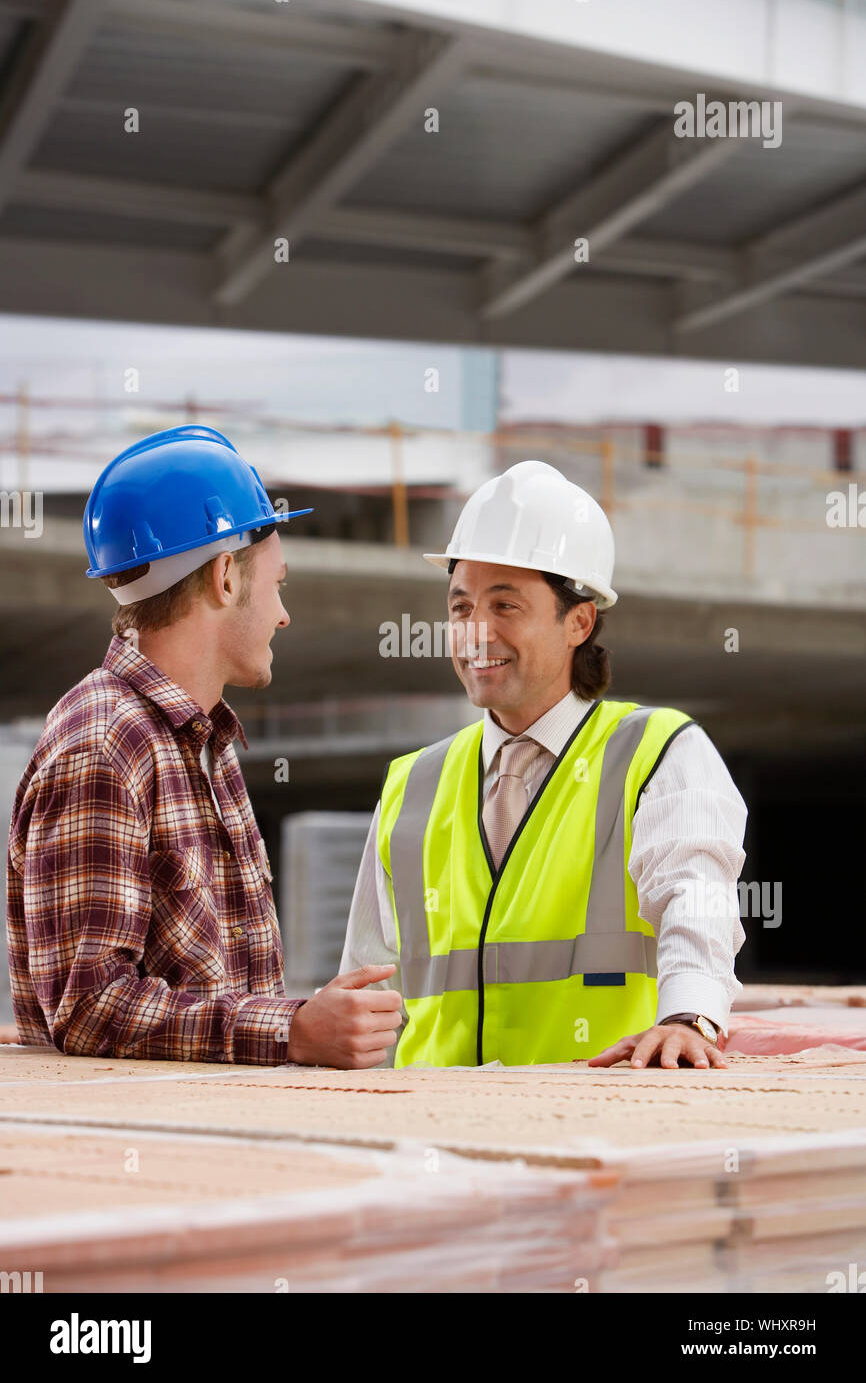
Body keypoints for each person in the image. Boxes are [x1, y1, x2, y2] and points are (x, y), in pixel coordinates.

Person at [6, 425, 402, 1067]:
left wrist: (300, 1022)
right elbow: (90, 1009)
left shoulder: (199, 741)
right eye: (278, 584)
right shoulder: (105, 745)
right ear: (224, 576)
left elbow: (210, 991)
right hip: (146, 1152)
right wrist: (292, 1031)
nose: (284, 614)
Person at [340, 460, 748, 1071]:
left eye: (505, 606)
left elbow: (696, 899)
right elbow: (366, 988)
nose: (475, 632)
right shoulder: (412, 785)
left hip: (601, 1130)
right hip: (432, 1139)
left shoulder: (658, 752)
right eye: (460, 608)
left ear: (578, 621)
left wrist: (689, 1016)